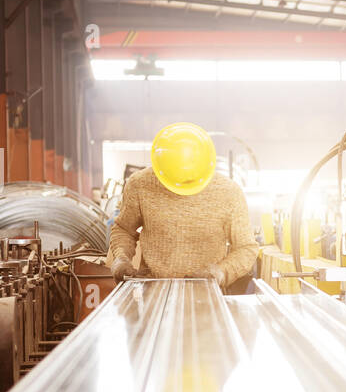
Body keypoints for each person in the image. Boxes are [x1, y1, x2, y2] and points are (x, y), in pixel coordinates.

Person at [107, 123, 258, 291]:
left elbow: (246, 248)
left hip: (206, 293)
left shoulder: (228, 192)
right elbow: (123, 229)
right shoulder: (140, 184)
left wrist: (221, 272)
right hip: (152, 289)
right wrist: (121, 257)